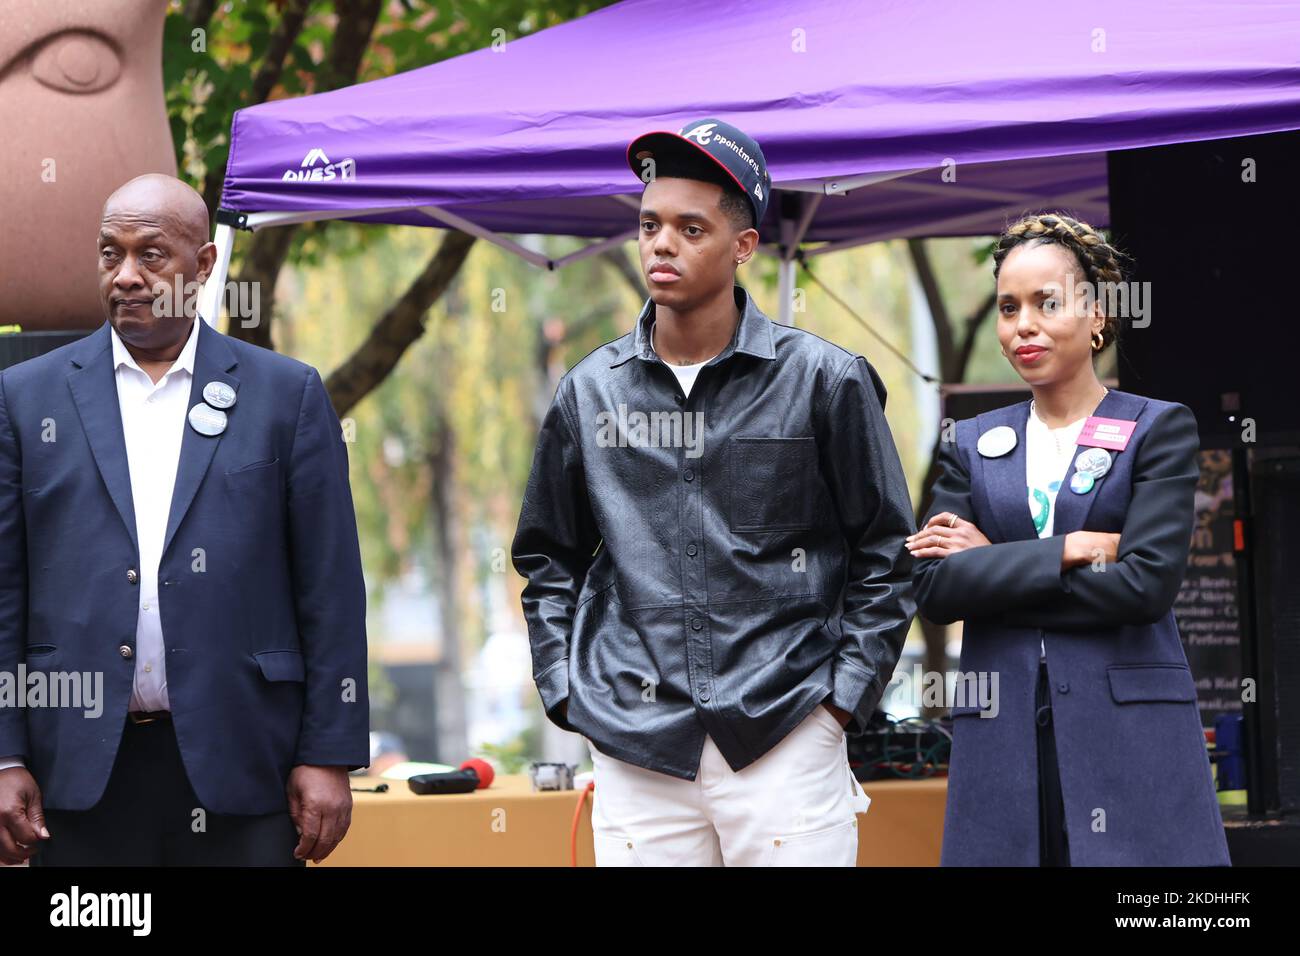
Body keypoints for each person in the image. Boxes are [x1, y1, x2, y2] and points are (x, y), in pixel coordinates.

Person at [511, 119, 915, 866]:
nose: (662, 244)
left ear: (743, 246)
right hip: (637, 745)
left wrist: (839, 704)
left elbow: (886, 552)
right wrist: (566, 688)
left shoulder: (825, 381)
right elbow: (548, 557)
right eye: (649, 225)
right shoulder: (590, 393)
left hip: (786, 734)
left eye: (690, 228)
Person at [0, 174, 370, 866]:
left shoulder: (286, 396)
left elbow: (331, 591)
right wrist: (2, 755)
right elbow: (3, 592)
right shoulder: (25, 400)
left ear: (203, 266)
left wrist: (329, 751)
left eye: (152, 255)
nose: (127, 276)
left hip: (246, 769)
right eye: (111, 254)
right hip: (78, 775)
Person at [908, 212, 1230, 866]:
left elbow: (1143, 587)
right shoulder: (968, 444)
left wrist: (992, 570)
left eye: (1045, 303)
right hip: (1003, 736)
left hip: (1129, 735)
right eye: (1007, 307)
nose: (1021, 324)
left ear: (1098, 316)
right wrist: (1072, 550)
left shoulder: (1155, 430)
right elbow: (937, 588)